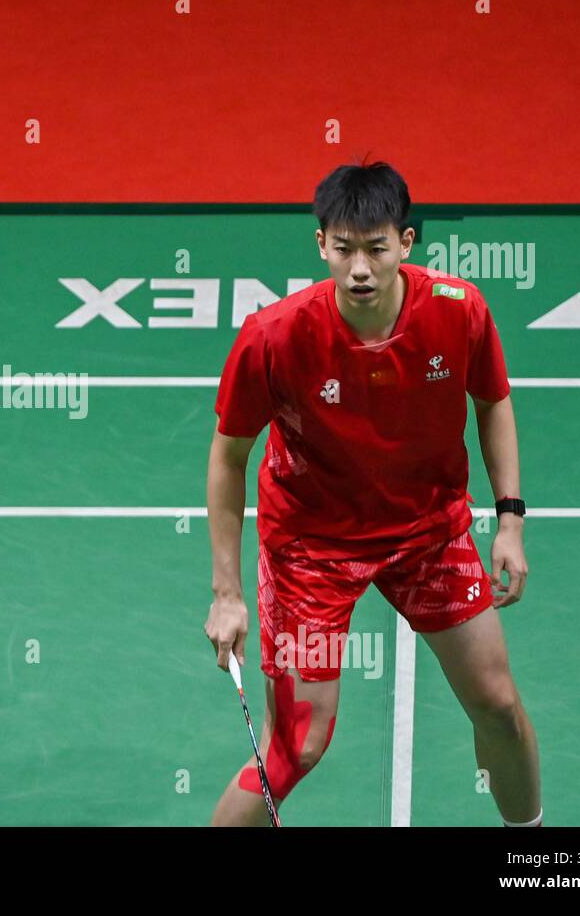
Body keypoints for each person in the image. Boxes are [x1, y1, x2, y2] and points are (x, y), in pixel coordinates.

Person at [204, 161, 541, 826]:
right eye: (343, 247)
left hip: (427, 533)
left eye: (376, 248)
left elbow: (492, 400)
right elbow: (228, 456)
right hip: (312, 546)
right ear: (321, 244)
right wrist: (228, 594)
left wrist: (509, 519)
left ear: (406, 243)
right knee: (297, 744)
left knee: (498, 705)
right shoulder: (275, 337)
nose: (359, 268)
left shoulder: (457, 310)